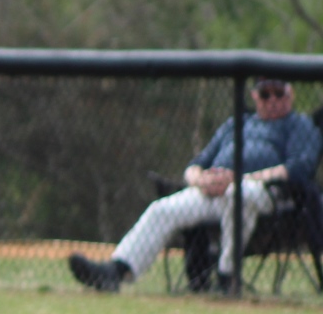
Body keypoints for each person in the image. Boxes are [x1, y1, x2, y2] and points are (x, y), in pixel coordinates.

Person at [68, 78, 319, 293]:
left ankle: (227, 275)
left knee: (237, 193)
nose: (273, 100)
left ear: (291, 93)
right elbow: (195, 165)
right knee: (162, 209)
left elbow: (298, 169)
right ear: (255, 96)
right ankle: (116, 271)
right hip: (214, 190)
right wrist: (201, 180)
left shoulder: (299, 125)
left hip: (265, 194)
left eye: (279, 93)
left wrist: (239, 179)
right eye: (265, 94)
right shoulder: (237, 124)